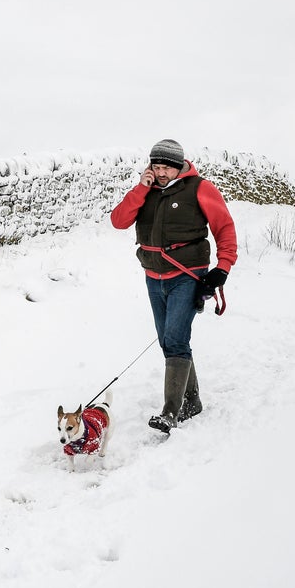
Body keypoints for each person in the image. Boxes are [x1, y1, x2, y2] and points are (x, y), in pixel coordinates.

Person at [110, 139, 238, 433]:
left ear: (179, 164)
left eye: (166, 166)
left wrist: (223, 267)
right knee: (168, 341)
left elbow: (224, 227)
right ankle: (192, 401)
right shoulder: (147, 191)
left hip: (187, 274)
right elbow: (118, 221)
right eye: (156, 166)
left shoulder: (200, 188)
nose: (161, 172)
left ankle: (171, 411)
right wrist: (141, 188)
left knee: (176, 339)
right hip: (153, 276)